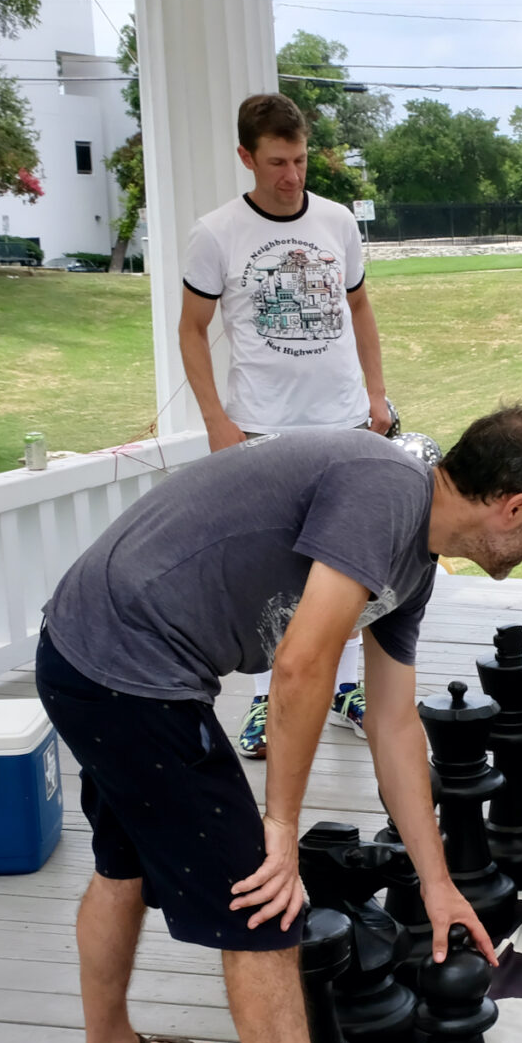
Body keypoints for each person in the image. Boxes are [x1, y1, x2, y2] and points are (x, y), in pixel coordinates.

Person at [36, 404, 522, 1043]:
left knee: (125, 861)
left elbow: (393, 722)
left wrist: (438, 883)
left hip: (92, 648)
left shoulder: (414, 555)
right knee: (264, 907)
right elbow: (301, 666)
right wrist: (280, 829)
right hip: (128, 665)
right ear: (513, 506)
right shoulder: (385, 492)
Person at [177, 92, 396, 760]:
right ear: (245, 157)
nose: (291, 176)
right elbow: (192, 329)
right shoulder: (216, 234)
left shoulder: (336, 222)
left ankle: (348, 688)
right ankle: (269, 697)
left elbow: (360, 310)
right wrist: (217, 421)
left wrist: (377, 396)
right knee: (273, 570)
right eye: (276, 162)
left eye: (299, 160)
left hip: (344, 424)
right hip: (262, 431)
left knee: (351, 562)